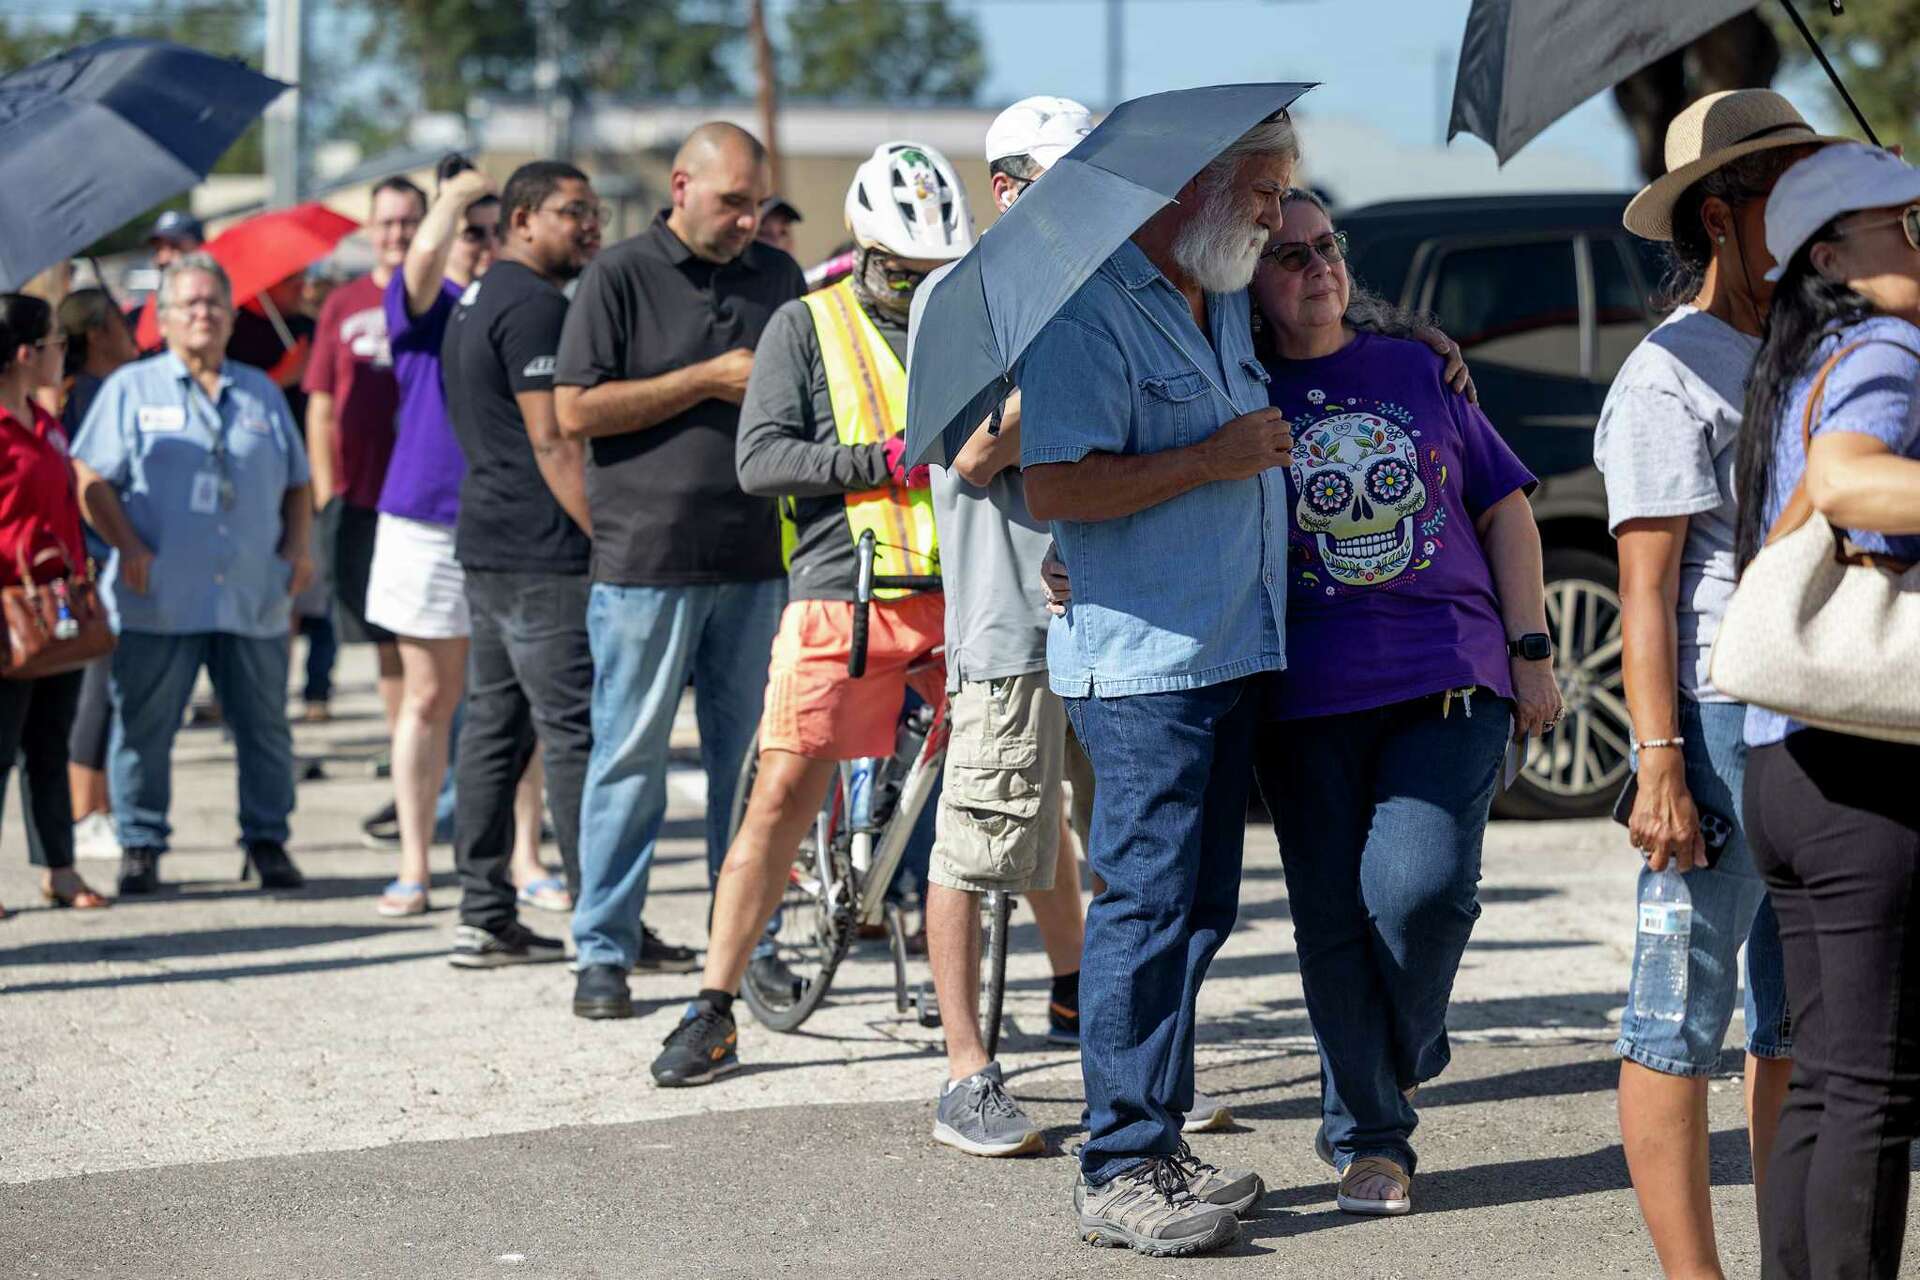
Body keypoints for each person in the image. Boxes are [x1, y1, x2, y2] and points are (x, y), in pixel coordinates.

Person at [1231, 187, 1556, 1219]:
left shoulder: (1419, 366)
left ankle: (1405, 1041)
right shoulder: (1232, 392)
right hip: (1305, 694)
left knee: (1420, 891)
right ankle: (1370, 1135)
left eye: (1326, 246)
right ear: (1248, 283)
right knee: (1331, 918)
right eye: (1289, 256)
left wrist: (1532, 647)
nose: (1317, 265)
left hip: (1449, 672)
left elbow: (1504, 508)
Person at [1013, 116, 1302, 1257]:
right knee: (1140, 905)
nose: (1280, 214)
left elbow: (1319, 298)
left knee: (1196, 911)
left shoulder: (1220, 288)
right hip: (1143, 669)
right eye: (1269, 192)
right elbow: (1053, 485)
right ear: (1199, 188)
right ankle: (1119, 1162)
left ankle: (1158, 1138)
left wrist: (1422, 340)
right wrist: (1208, 459)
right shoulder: (1085, 309)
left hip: (1228, 648)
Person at [645, 139, 969, 1076]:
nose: (920, 290)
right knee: (784, 792)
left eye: (937, 273)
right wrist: (881, 460)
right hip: (847, 593)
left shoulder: (976, 324)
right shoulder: (806, 325)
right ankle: (713, 1003)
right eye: (906, 274)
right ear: (867, 253)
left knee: (1014, 802)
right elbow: (761, 461)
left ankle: (1075, 989)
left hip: (965, 597)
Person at [1595, 90, 1833, 1279]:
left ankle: (1792, 1254)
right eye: (1785, 191)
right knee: (1678, 1015)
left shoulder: (1816, 341)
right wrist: (1661, 763)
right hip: (1719, 708)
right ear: (1723, 217)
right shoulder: (1663, 376)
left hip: (1822, 700)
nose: (1810, 215)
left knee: (1802, 1014)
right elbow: (1645, 592)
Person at [555, 122, 805, 1016]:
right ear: (681, 186)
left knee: (752, 774)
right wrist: (704, 379)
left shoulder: (777, 277)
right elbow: (576, 409)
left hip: (752, 564)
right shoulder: (617, 275)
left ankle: (745, 951)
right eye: (733, 202)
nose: (748, 221)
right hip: (644, 564)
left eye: (756, 204)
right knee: (630, 761)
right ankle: (603, 950)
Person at [1735, 141, 1920, 1280]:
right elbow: (1851, 478)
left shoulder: (1801, 358)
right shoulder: (1889, 349)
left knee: (1827, 1076)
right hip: (1867, 763)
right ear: (1832, 254)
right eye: (1904, 224)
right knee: (1873, 1085)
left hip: (1787, 763)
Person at [906, 96, 1098, 1159]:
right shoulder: (963, 294)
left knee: (1123, 852)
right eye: (1058, 176)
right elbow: (977, 455)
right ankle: (966, 1073)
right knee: (978, 845)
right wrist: (1071, 366)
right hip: (1010, 619)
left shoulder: (1108, 283)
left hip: (1117, 617)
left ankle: (1131, 1065)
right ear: (1008, 189)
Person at [71, 254, 312, 895]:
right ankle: (141, 844)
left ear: (232, 318)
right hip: (160, 597)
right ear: (163, 319)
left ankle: (267, 842)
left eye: (214, 304)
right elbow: (89, 479)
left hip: (250, 593)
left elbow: (298, 482)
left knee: (264, 727)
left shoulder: (259, 389)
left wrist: (300, 550)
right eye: (190, 305)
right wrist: (128, 545)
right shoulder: (132, 388)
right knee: (144, 727)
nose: (203, 314)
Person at [364, 160, 545, 917]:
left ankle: (527, 856)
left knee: (522, 701)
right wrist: (460, 194)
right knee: (430, 698)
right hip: (425, 524)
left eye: (490, 231)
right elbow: (422, 256)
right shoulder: (423, 306)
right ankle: (414, 863)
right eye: (470, 231)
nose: (478, 242)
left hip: (508, 520)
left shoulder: (523, 306)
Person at [442, 160, 605, 965]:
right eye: (573, 211)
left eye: (594, 212)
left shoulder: (475, 297)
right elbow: (552, 439)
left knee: (493, 731)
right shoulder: (536, 307)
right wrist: (605, 537)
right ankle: (601, 925)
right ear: (523, 219)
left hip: (489, 545)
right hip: (541, 554)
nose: (590, 226)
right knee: (573, 733)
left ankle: (482, 912)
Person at [303, 176, 423, 834]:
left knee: (432, 643)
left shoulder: (443, 293)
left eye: (408, 221)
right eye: (386, 222)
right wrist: (327, 493)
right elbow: (321, 404)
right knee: (383, 642)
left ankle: (438, 771)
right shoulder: (344, 302)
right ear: (370, 229)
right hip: (361, 502)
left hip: (429, 505)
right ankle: (410, 765)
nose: (396, 233)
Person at [0, 293, 111, 916]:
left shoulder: (46, 422)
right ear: (24, 354)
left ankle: (59, 870)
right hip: (8, 609)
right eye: (53, 343)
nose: (61, 352)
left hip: (59, 608)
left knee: (49, 743)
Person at [56, 289, 140, 863]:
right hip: (95, 564)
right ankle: (86, 812)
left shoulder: (102, 390)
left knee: (104, 694)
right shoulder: (88, 397)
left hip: (103, 561)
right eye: (121, 321)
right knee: (96, 696)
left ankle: (99, 808)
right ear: (98, 334)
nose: (133, 329)